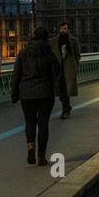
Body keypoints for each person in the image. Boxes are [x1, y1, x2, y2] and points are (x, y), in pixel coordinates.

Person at [11, 26, 61, 166]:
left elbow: (16, 75)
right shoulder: (49, 53)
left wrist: (14, 93)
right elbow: (57, 72)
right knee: (43, 124)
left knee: (30, 122)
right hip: (45, 93)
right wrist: (57, 89)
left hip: (27, 94)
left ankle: (30, 147)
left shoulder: (23, 53)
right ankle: (41, 157)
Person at [55, 20, 80, 119]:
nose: (63, 31)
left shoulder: (74, 40)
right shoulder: (55, 41)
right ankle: (67, 106)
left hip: (69, 69)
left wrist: (75, 66)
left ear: (69, 30)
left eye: (65, 29)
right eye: (61, 29)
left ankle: (65, 110)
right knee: (60, 91)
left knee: (66, 90)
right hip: (58, 69)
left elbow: (77, 55)